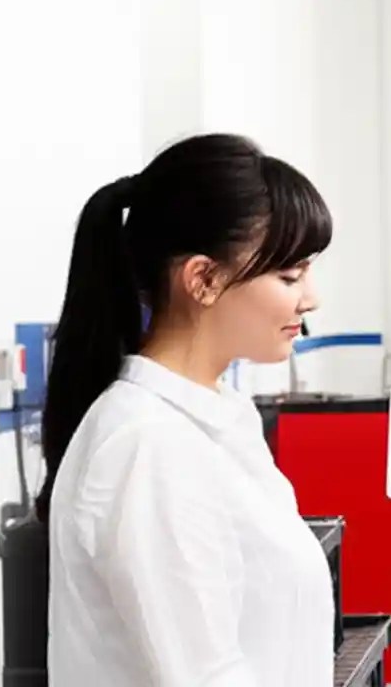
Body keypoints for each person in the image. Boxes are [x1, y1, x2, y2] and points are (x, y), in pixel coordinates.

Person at [39, 133, 336, 686]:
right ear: (203, 278)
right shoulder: (147, 446)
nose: (310, 297)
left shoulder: (213, 417)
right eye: (290, 275)